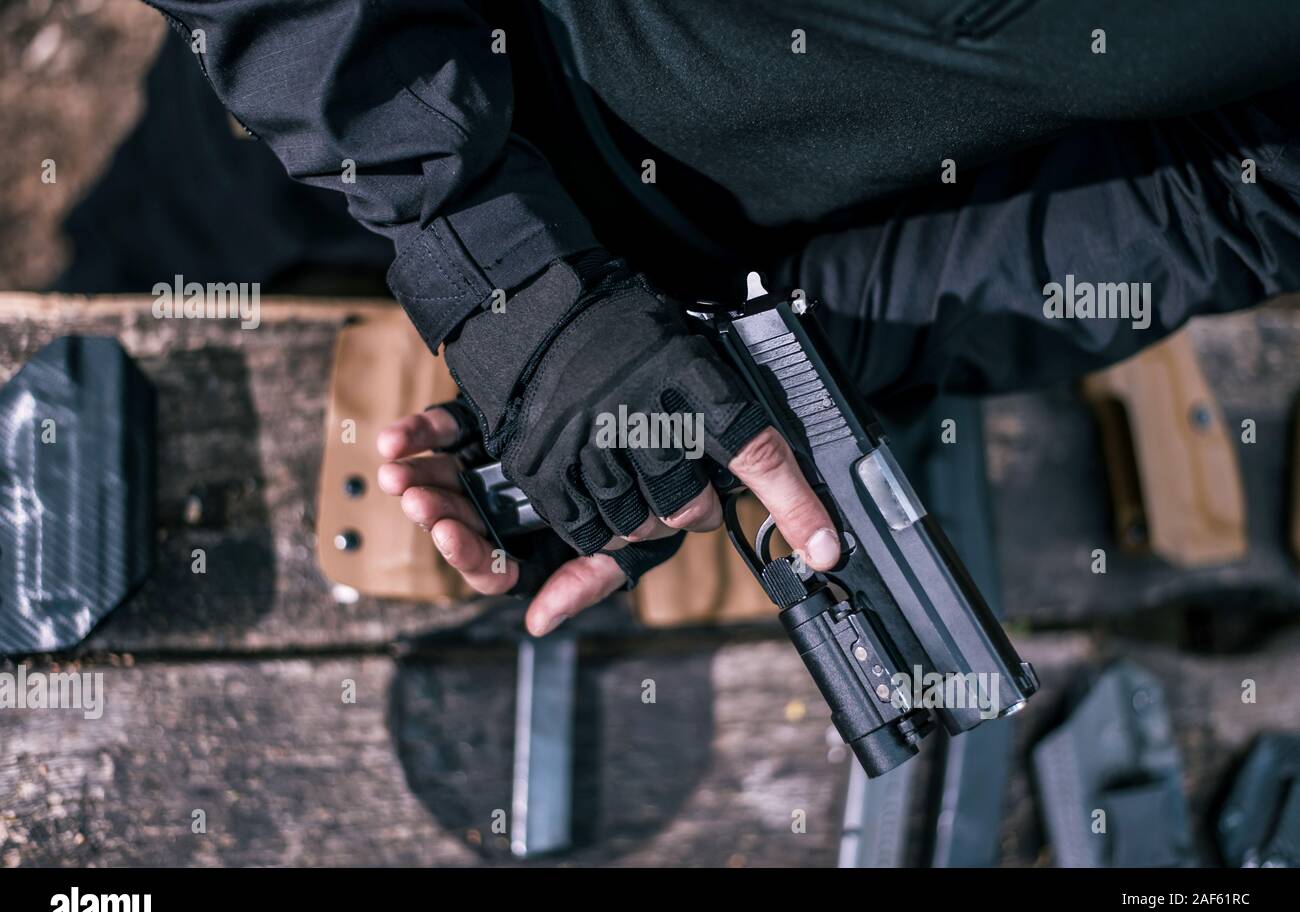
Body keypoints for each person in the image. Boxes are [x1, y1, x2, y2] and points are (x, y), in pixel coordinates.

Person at [139, 1, 1300, 634]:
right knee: (183, 253)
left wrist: (772, 353)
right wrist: (486, 247)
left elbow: (1231, 193)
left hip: (782, 227)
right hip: (414, 56)